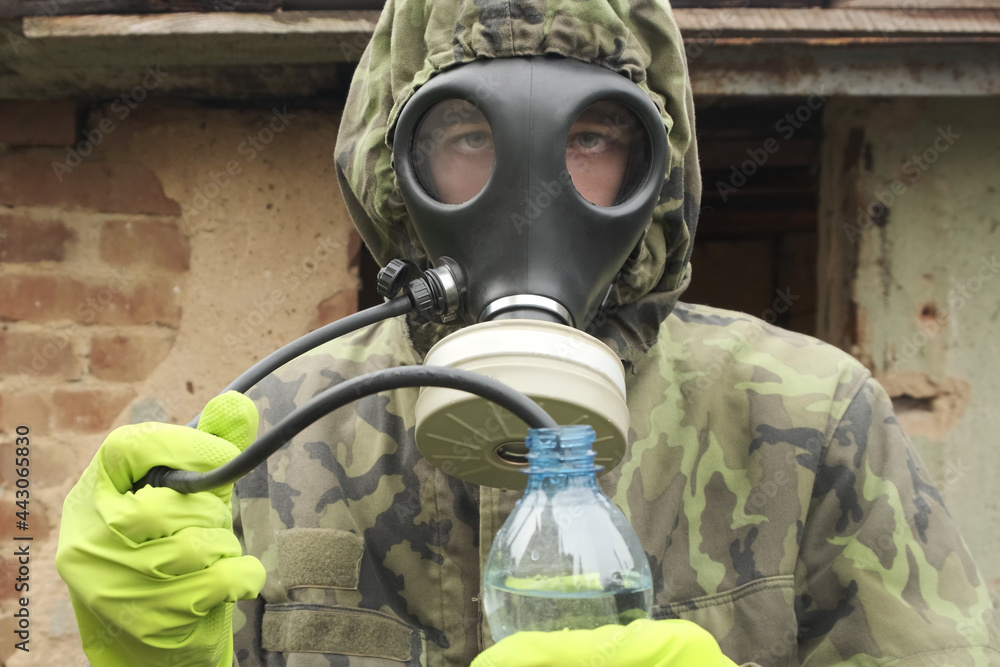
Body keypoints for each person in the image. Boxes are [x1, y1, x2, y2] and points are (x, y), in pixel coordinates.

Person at [56, 0, 1000, 665]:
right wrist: (166, 659)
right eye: (469, 135)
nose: (530, 193)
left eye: (590, 138)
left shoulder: (812, 421)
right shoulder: (282, 433)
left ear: (652, 169)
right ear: (399, 167)